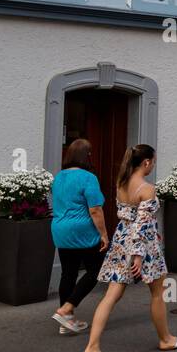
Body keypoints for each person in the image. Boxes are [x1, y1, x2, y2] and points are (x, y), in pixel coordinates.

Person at [81, 144, 177, 352]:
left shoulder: (121, 183)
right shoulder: (147, 189)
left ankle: (92, 346)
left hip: (121, 239)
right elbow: (142, 224)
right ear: (146, 162)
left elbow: (127, 217)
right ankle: (166, 339)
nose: (153, 166)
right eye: (153, 162)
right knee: (158, 293)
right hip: (144, 245)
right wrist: (138, 255)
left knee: (111, 295)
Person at [49, 139, 110, 335]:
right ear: (87, 156)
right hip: (82, 231)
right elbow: (95, 209)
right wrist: (104, 234)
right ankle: (67, 307)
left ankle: (66, 321)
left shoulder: (58, 177)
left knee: (68, 273)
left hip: (60, 229)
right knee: (97, 270)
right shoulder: (88, 177)